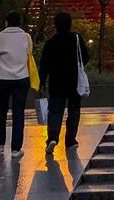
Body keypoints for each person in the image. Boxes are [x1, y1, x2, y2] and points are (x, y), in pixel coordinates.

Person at [38, 12, 90, 155]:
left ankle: (53, 138)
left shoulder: (51, 42)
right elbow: (85, 58)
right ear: (70, 23)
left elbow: (44, 65)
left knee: (55, 111)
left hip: (57, 83)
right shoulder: (77, 39)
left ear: (55, 25)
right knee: (74, 111)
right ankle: (70, 140)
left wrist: (41, 81)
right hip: (74, 82)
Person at [0, 11, 33, 158]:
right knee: (18, 113)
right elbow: (29, 54)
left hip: (2, 79)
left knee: (1, 112)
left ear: (6, 22)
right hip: (21, 79)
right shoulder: (26, 37)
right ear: (20, 22)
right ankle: (16, 149)